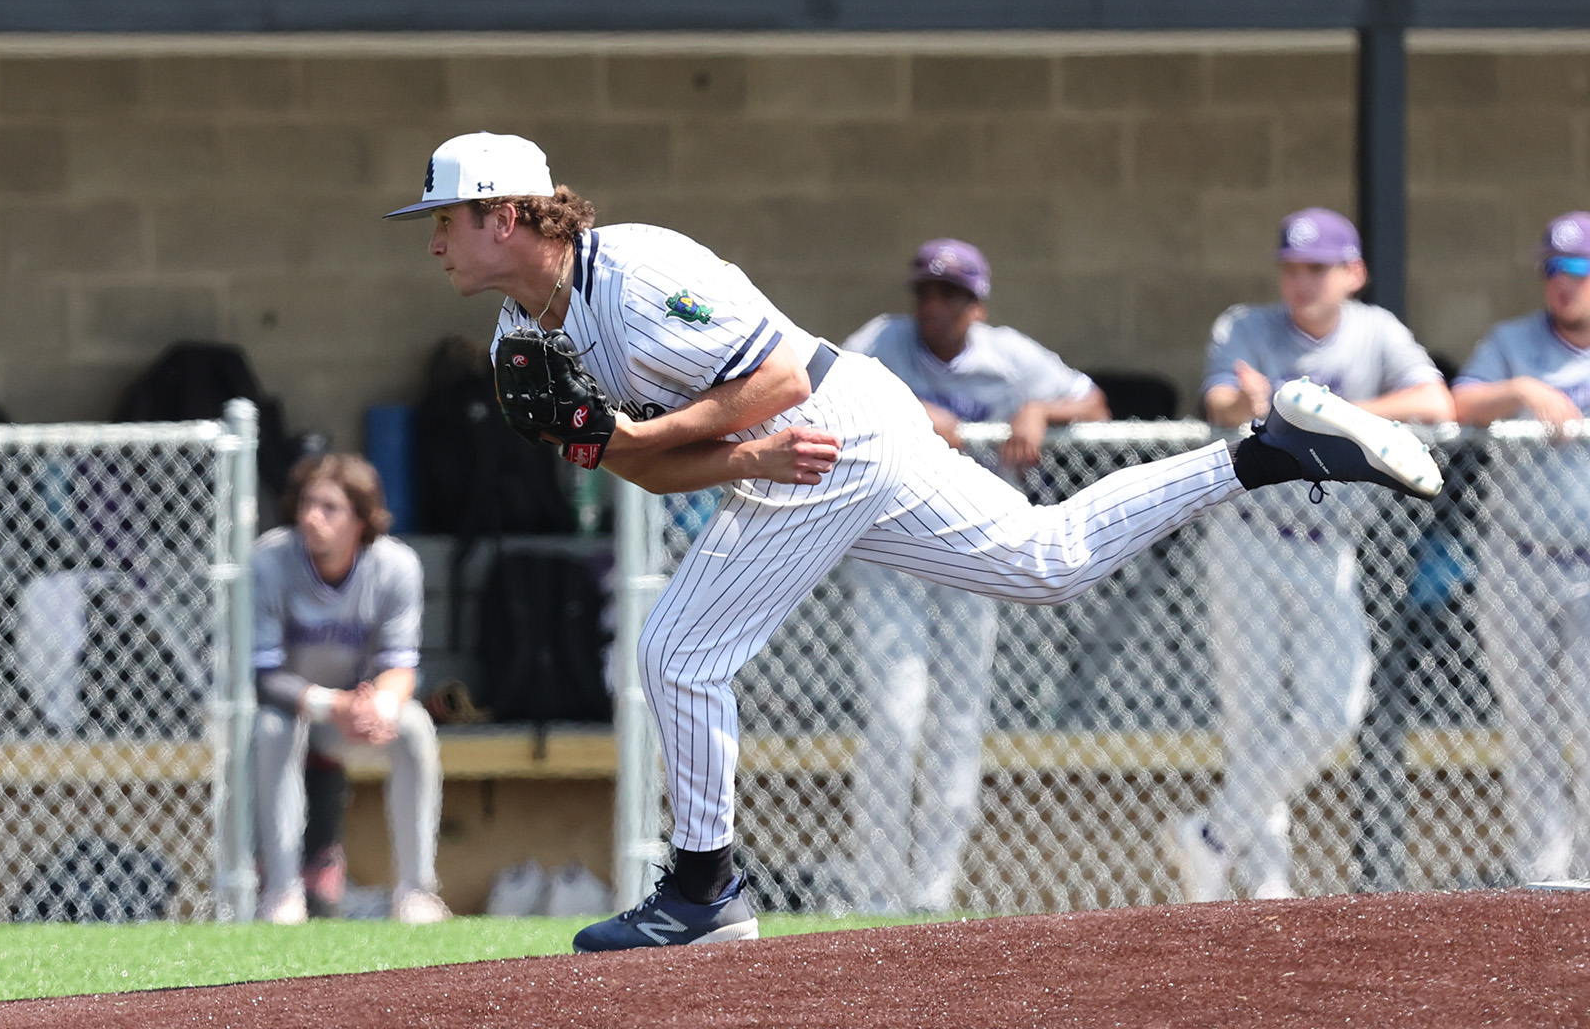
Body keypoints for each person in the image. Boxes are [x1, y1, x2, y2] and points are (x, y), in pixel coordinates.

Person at [384, 132, 1441, 952]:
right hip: (819, 441)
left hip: (831, 427)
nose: (433, 241)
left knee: (679, 652)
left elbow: (778, 378)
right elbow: (641, 468)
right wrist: (727, 458)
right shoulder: (520, 337)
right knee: (1048, 561)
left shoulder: (639, 272)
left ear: (509, 215)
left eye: (448, 218)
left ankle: (706, 890)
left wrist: (675, 439)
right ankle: (1263, 454)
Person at [1173, 207, 1454, 902]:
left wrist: (1332, 416)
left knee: (1335, 710)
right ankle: (1266, 889)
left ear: (1353, 272)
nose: (1302, 281)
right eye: (1292, 268)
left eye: (1319, 269)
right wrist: (1247, 402)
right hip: (1248, 536)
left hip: (1330, 547)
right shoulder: (1247, 325)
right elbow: (1217, 398)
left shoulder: (1376, 331)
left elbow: (1435, 399)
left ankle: (1213, 834)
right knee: (1252, 719)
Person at [838, 238, 1109, 913]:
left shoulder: (1009, 354)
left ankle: (932, 891)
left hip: (971, 555)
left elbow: (1096, 404)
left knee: (957, 722)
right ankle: (876, 891)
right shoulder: (882, 341)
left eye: (952, 295)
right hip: (892, 550)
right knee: (895, 719)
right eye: (926, 291)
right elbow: (819, 393)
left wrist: (1039, 409)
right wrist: (904, 413)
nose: (935, 305)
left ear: (977, 305)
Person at [249, 452, 451, 924]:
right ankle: (282, 893)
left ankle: (415, 892)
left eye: (329, 508)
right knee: (272, 729)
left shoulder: (396, 565)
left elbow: (400, 665)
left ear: (361, 519)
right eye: (306, 504)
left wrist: (380, 707)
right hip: (292, 710)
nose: (310, 518)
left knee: (414, 726)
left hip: (354, 716)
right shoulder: (269, 558)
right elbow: (264, 674)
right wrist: (332, 704)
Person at [1452, 211, 1590, 884]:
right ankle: (1544, 872)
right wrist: (1523, 389)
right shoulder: (1512, 343)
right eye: (1553, 270)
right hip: (1518, 561)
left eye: (1578, 270)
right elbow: (1457, 406)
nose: (1564, 283)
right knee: (1529, 724)